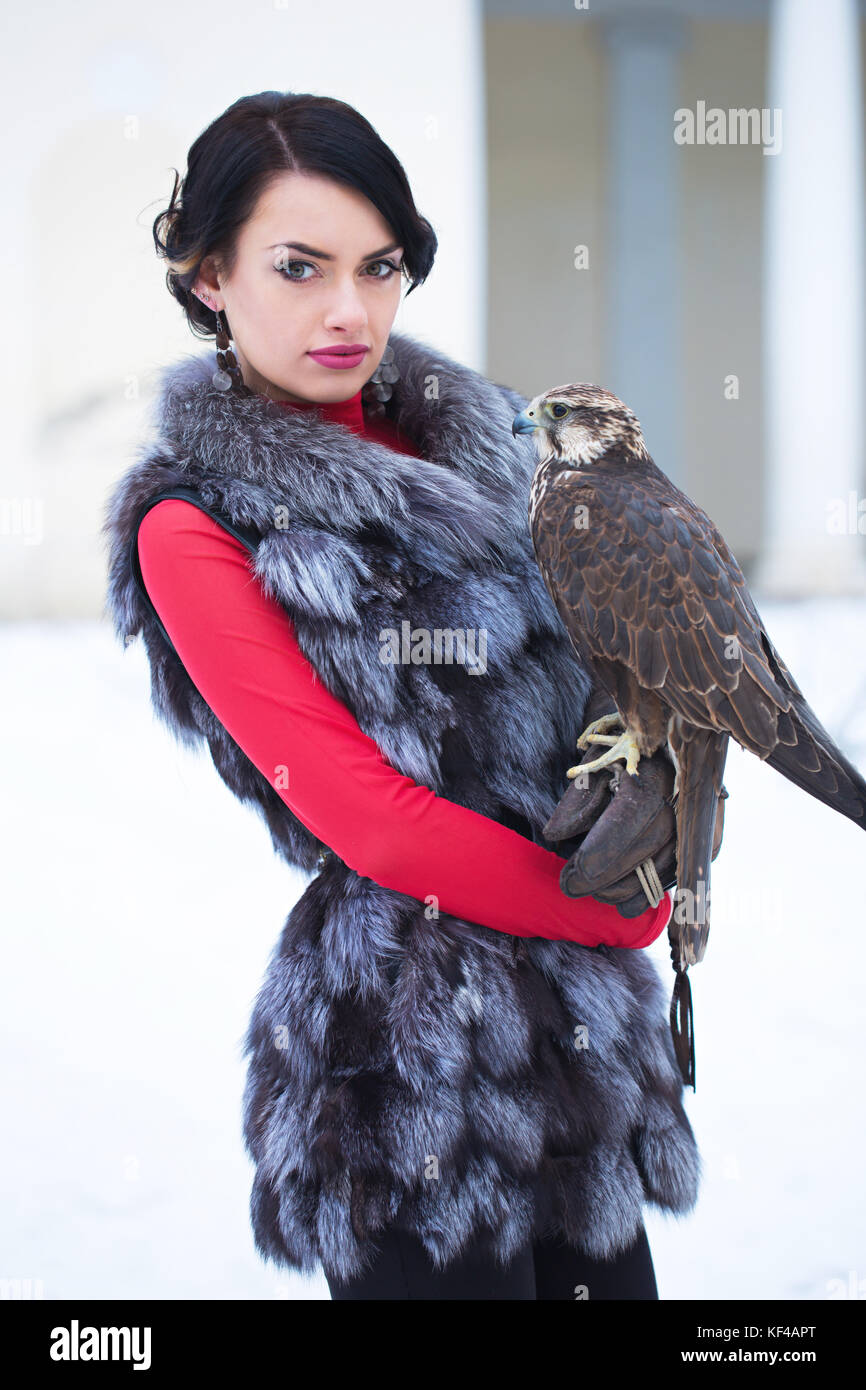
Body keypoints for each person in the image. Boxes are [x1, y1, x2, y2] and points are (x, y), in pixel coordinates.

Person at [102, 90, 710, 1300]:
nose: (349, 309)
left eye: (378, 267)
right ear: (208, 274)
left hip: (578, 1044)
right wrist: (611, 911)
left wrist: (670, 794)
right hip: (409, 1068)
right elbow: (370, 819)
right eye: (298, 266)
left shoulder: (491, 437)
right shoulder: (195, 522)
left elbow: (623, 669)